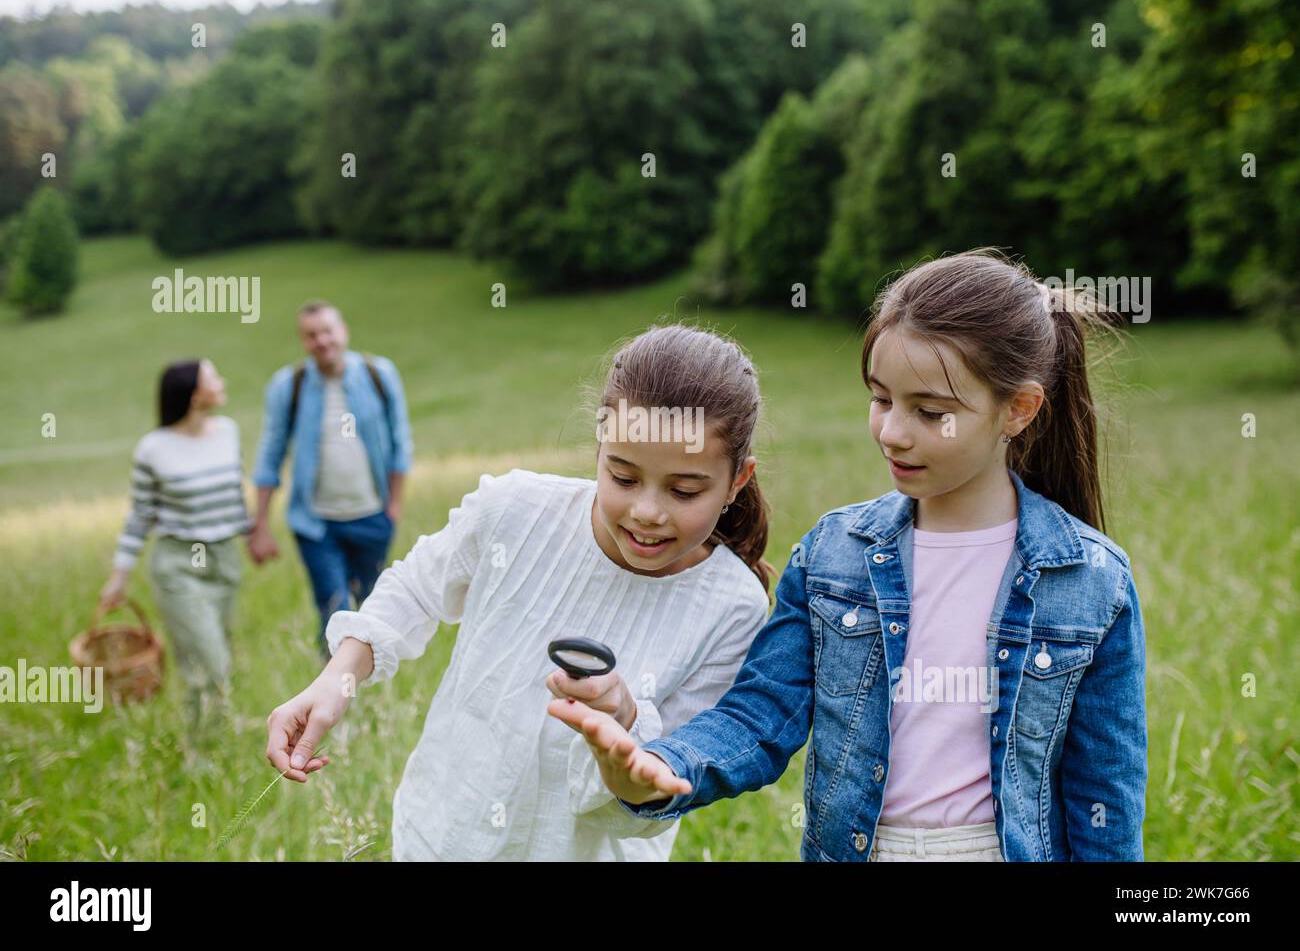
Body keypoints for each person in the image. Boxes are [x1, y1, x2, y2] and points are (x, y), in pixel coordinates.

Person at [555, 248, 1149, 862]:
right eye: (881, 399)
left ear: (1018, 410)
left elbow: (1104, 798)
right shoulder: (834, 556)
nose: (893, 431)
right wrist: (660, 765)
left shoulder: (1090, 579)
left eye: (929, 412)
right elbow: (762, 715)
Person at [265, 324, 774, 860]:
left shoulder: (732, 607)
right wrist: (335, 680)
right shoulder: (515, 510)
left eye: (684, 490)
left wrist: (623, 732)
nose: (647, 511)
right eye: (623, 477)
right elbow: (414, 590)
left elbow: (653, 797)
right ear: (599, 447)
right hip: (443, 837)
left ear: (737, 480)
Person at [249, 301, 413, 663]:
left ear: (343, 332)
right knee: (334, 609)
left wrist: (394, 508)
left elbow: (401, 444)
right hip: (316, 524)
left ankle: (369, 693)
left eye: (327, 331)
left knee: (371, 610)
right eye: (311, 335)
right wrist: (260, 526)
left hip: (373, 517)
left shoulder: (379, 374)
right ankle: (332, 703)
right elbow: (270, 456)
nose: (322, 341)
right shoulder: (288, 386)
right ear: (303, 341)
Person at [101, 358, 252, 728]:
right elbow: (139, 516)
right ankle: (204, 746)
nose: (221, 381)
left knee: (208, 655)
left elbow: (233, 495)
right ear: (194, 394)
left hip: (224, 558)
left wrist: (254, 533)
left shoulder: (228, 432)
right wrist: (119, 577)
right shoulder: (154, 448)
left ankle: (211, 738)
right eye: (213, 377)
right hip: (179, 564)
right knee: (212, 659)